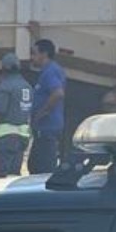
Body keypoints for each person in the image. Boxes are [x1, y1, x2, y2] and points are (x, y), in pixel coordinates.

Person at [0, 52, 33, 177]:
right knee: (12, 177)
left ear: (3, 68)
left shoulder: (5, 87)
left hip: (3, 140)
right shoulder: (27, 87)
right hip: (21, 139)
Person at [27, 38, 67, 174]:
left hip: (47, 128)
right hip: (45, 128)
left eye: (34, 53)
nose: (31, 57)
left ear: (44, 54)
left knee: (43, 168)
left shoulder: (50, 72)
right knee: (34, 164)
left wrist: (42, 112)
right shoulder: (50, 70)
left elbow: (58, 93)